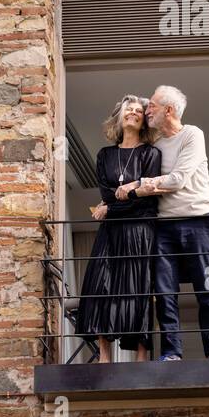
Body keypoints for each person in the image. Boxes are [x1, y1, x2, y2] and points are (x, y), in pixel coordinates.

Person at [118, 85, 209, 361]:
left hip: (199, 224)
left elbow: (178, 180)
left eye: (152, 106)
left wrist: (137, 186)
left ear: (169, 109)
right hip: (163, 228)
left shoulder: (193, 134)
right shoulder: (155, 148)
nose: (147, 110)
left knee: (208, 290)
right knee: (165, 293)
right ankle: (171, 353)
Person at [76, 95, 162, 362]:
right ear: (119, 116)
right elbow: (106, 193)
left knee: (138, 287)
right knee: (101, 285)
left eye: (138, 111)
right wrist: (119, 201)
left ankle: (141, 356)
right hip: (111, 231)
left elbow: (147, 200)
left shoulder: (151, 154)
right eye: (129, 109)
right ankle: (104, 355)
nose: (133, 113)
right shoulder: (105, 155)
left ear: (144, 121)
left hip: (139, 231)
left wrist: (111, 208)